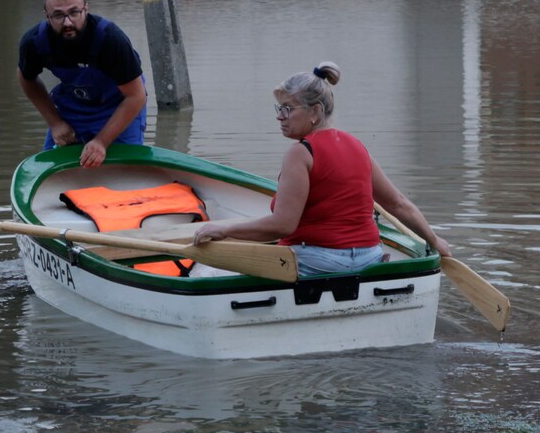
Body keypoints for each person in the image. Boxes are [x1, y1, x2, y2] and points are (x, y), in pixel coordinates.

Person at [188, 63, 455, 278]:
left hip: (317, 263)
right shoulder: (359, 148)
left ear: (315, 111)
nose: (279, 117)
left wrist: (224, 231)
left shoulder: (300, 153)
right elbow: (398, 203)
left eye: (287, 109)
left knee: (203, 270)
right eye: (279, 109)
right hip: (370, 258)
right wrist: (434, 240)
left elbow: (283, 225)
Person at [16, 0, 147, 169]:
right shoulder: (34, 42)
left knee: (123, 170)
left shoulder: (110, 39)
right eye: (58, 15)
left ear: (86, 9)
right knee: (50, 168)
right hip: (74, 107)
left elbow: (136, 96)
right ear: (47, 16)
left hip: (119, 105)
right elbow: (25, 78)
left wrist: (101, 142)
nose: (68, 22)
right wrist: (55, 122)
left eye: (74, 13)